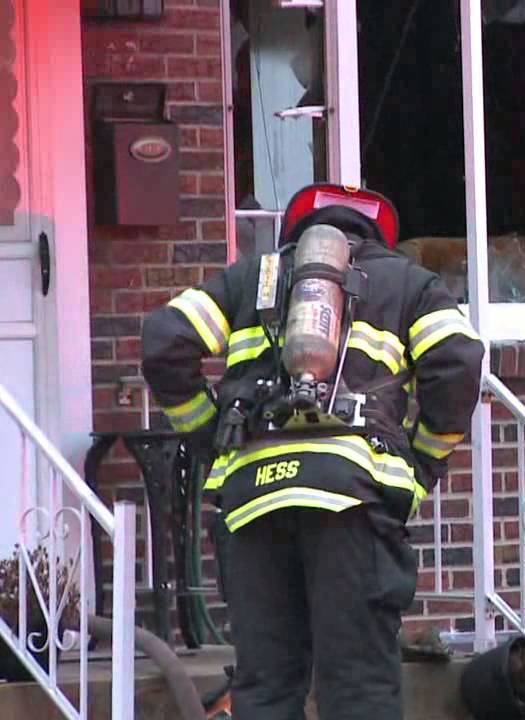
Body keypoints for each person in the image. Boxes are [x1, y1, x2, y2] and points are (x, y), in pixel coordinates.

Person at [141, 183, 485, 720]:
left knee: (266, 689)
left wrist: (212, 438)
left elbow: (164, 341)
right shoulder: (406, 282)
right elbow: (459, 362)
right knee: (358, 690)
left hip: (253, 507)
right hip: (350, 508)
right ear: (377, 238)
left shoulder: (250, 278)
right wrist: (420, 465)